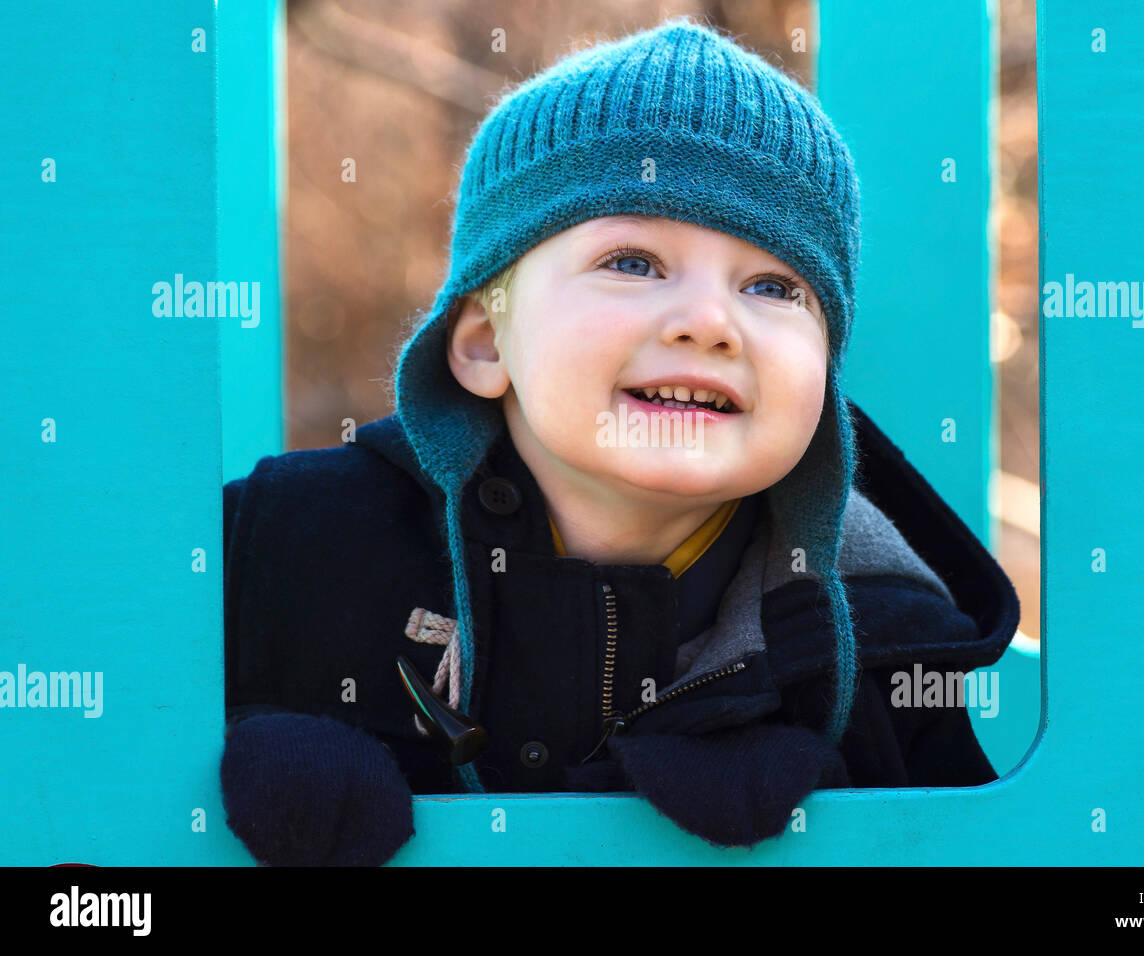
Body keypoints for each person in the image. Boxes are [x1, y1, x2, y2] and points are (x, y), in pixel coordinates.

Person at [220, 16, 1020, 866]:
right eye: (634, 262)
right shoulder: (288, 544)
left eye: (774, 286)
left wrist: (830, 822)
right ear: (488, 342)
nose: (711, 323)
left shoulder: (879, 637)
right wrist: (219, 755)